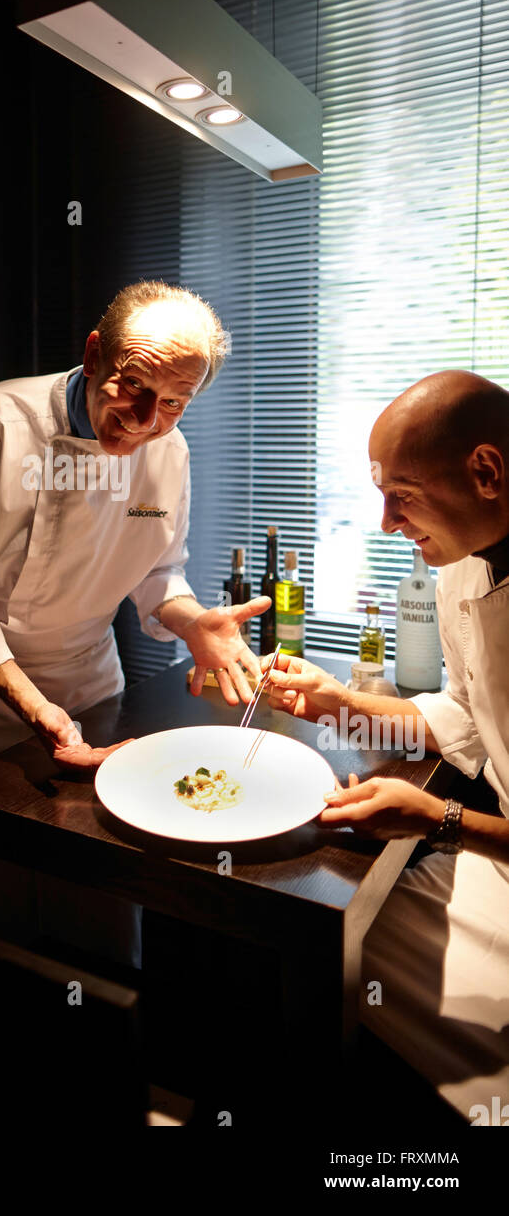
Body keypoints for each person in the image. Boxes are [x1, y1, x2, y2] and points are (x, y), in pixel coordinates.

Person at [0, 279, 269, 959]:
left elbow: (157, 575)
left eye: (172, 404)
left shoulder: (172, 450)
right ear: (95, 352)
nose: (142, 420)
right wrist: (33, 706)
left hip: (88, 685)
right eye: (131, 386)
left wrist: (192, 623)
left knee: (96, 894)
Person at [263, 369, 509, 1122]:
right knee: (327, 939)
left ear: (487, 471)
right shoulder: (461, 566)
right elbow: (466, 716)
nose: (384, 521)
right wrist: (345, 705)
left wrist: (437, 819)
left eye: (401, 494)